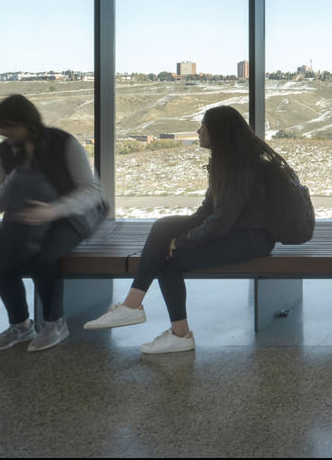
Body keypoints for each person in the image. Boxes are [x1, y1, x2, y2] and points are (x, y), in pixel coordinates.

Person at [82, 106, 277, 354]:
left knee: (169, 260)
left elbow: (220, 222)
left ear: (218, 132)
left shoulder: (237, 168)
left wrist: (181, 242)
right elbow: (207, 212)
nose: (198, 131)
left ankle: (173, 331)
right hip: (240, 232)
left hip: (252, 240)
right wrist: (172, 234)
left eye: (203, 126)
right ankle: (139, 311)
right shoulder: (227, 161)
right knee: (162, 226)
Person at [0, 93, 107, 353]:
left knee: (43, 257)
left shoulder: (64, 143)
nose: (2, 131)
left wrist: (53, 210)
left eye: (8, 124)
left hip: (75, 214)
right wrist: (16, 176)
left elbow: (92, 190)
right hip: (24, 217)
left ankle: (54, 323)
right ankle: (21, 325)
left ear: (27, 121)